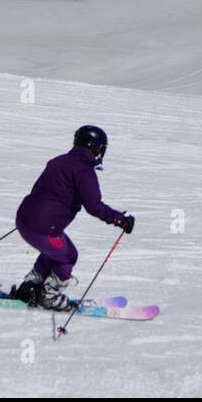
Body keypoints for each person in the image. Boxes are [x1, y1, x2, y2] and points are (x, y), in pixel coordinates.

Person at [10, 125, 135, 311]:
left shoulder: (58, 161)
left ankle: (29, 288)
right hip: (44, 227)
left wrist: (33, 216)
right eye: (102, 149)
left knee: (54, 252)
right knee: (68, 256)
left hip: (24, 219)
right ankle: (49, 297)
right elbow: (94, 207)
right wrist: (121, 220)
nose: (102, 154)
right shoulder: (84, 171)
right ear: (95, 147)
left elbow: (44, 190)